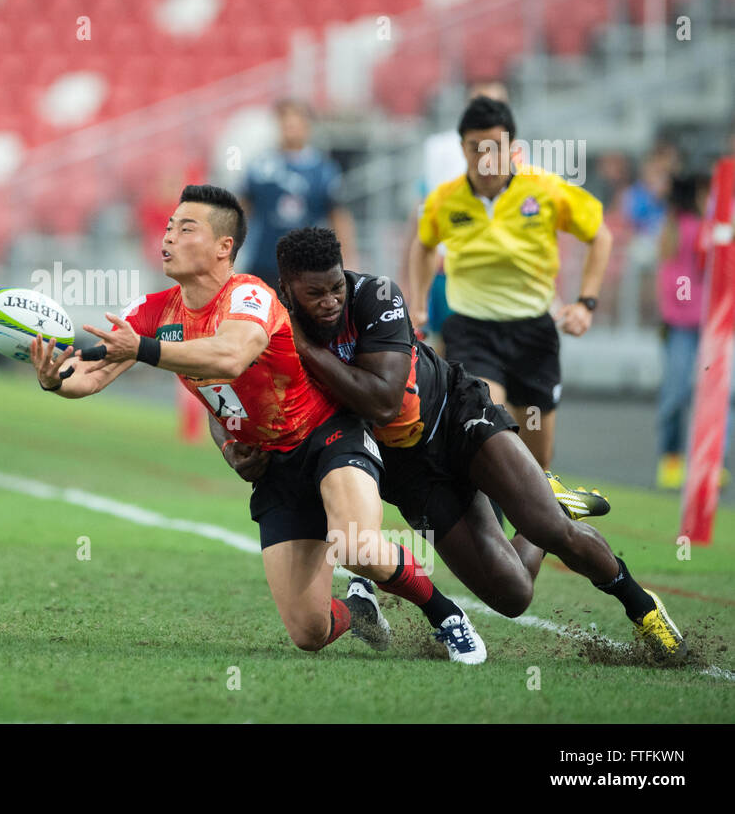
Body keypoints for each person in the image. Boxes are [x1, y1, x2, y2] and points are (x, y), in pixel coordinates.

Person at [32, 184, 488, 663]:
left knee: (355, 544)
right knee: (309, 632)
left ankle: (446, 615)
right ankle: (360, 608)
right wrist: (53, 377)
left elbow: (229, 356)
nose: (168, 237)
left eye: (185, 229)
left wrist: (144, 350)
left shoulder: (250, 295)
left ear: (223, 247)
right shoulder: (151, 312)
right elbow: (88, 375)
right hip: (274, 468)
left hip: (330, 436)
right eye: (168, 227)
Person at [220, 228, 687, 661]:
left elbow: (383, 401)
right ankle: (555, 503)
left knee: (549, 530)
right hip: (408, 472)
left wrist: (305, 348)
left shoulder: (376, 296)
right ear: (286, 290)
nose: (330, 301)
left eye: (336, 286)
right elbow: (220, 384)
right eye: (314, 293)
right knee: (512, 596)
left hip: (455, 415)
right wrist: (228, 442)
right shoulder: (268, 327)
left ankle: (642, 608)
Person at [407, 97, 613, 470]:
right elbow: (423, 245)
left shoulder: (545, 190)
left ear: (512, 149)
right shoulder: (444, 200)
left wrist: (587, 303)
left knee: (537, 461)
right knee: (491, 428)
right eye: (475, 149)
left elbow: (600, 236)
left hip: (533, 331)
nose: (486, 159)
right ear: (462, 149)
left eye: (495, 149)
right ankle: (491, 528)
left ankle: (531, 528)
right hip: (471, 330)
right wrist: (419, 302)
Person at [409, 81, 510, 347]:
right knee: (446, 350)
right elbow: (423, 209)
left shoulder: (520, 152)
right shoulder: (440, 148)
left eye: (498, 103)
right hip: (449, 267)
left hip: (500, 270)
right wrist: (413, 284)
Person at [239, 99, 358, 283]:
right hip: (264, 263)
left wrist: (348, 259)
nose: (290, 128)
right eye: (285, 122)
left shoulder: (324, 170)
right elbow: (243, 209)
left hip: (307, 265)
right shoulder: (260, 166)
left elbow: (339, 217)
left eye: (296, 122)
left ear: (307, 125)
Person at [656, 173, 715, 489]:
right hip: (685, 323)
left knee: (684, 393)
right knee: (683, 393)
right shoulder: (679, 229)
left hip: (693, 322)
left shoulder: (682, 229)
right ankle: (675, 458)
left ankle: (681, 459)